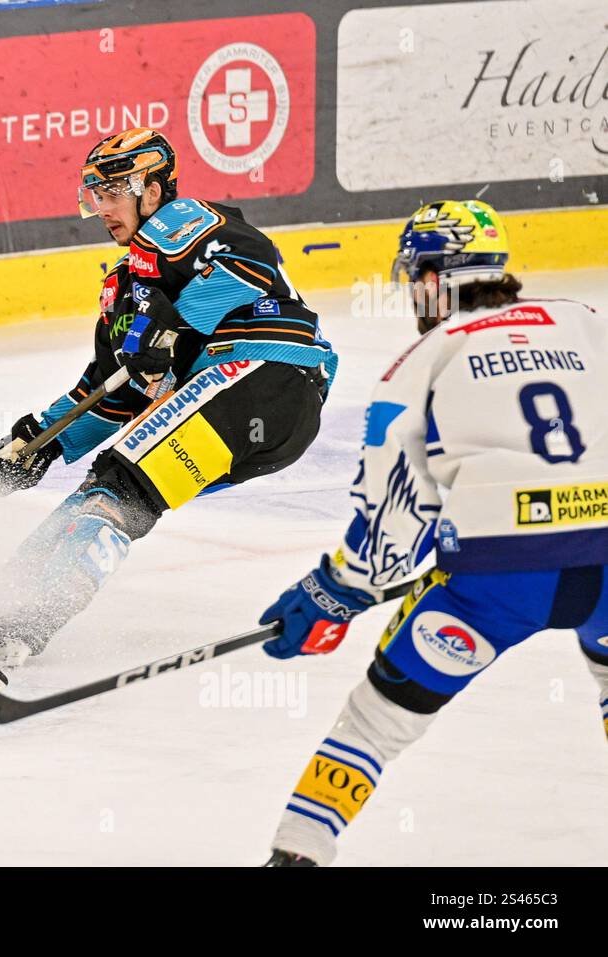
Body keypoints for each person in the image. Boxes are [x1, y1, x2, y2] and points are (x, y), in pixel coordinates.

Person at [259, 200, 608, 866]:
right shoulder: (589, 321)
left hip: (501, 582)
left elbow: (392, 526)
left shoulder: (419, 362)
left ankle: (297, 854)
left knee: (375, 721)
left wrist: (332, 590)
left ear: (429, 276)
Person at [0, 127, 337, 669]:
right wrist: (37, 441)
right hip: (264, 423)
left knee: (117, 486)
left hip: (261, 377)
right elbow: (111, 393)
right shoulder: (124, 289)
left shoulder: (179, 225)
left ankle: (25, 622)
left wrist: (174, 327)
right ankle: (1, 609)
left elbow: (253, 266)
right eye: (97, 195)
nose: (104, 208)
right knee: (108, 494)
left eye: (115, 192)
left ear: (153, 190)